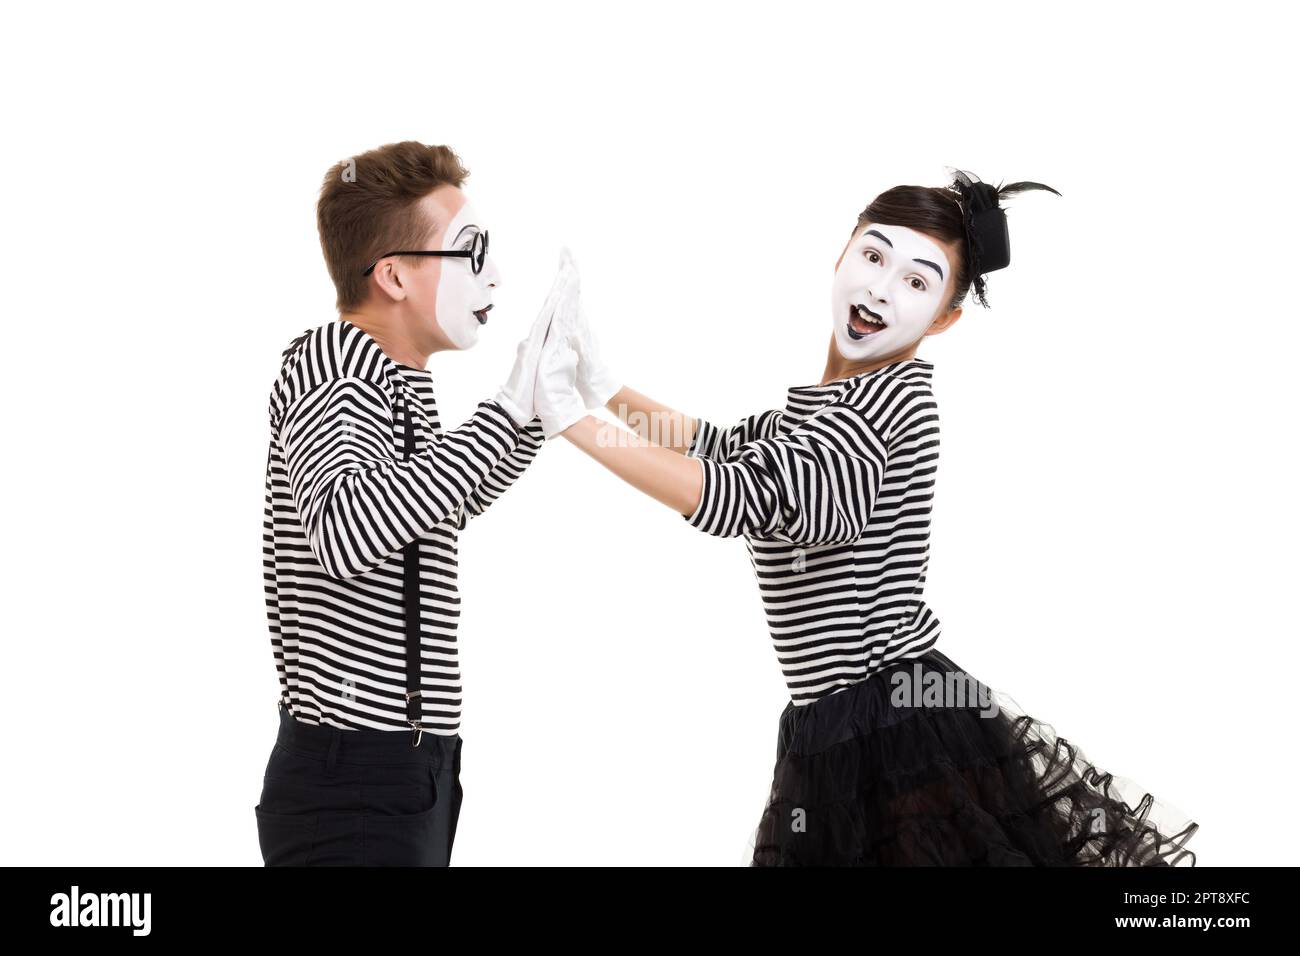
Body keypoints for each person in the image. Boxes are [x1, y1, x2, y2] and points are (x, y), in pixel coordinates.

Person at [531, 169, 1200, 865]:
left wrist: (575, 423)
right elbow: (721, 447)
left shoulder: (885, 408)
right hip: (842, 719)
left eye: (917, 281)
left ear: (944, 317)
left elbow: (742, 496)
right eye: (874, 256)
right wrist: (601, 388)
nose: (881, 288)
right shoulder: (831, 405)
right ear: (842, 253)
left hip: (889, 730)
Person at [256, 140, 573, 866]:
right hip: (353, 780)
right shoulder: (333, 363)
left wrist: (531, 417)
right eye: (470, 253)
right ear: (394, 275)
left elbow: (433, 508)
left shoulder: (394, 381)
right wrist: (506, 407)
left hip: (409, 771)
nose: (492, 274)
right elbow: (345, 529)